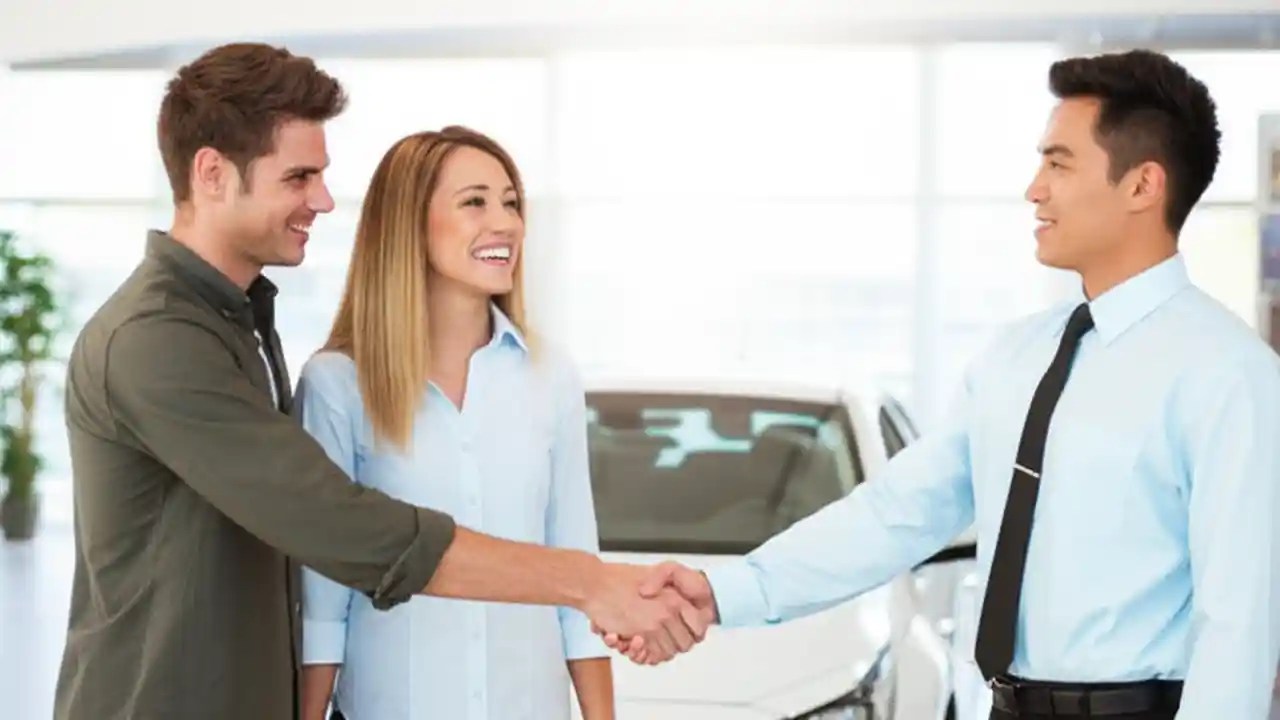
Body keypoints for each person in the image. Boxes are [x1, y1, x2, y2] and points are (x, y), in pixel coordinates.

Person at [608, 49, 1280, 719]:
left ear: (1142, 186)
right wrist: (720, 591)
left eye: (1058, 162)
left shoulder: (1229, 374)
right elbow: (895, 514)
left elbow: (1240, 624)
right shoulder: (1017, 356)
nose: (1034, 188)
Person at [55, 42, 704, 720]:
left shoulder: (238, 322)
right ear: (214, 174)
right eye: (299, 177)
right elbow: (342, 529)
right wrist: (587, 581)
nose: (325, 200)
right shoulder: (159, 341)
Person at [294, 126, 613, 720]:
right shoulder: (336, 384)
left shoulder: (551, 378)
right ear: (408, 224)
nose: (507, 223)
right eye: (475, 202)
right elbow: (322, 599)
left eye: (510, 202)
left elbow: (576, 567)